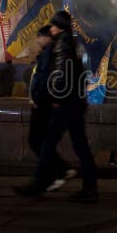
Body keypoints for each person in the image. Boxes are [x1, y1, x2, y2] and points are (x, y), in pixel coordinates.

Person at [14, 10, 97, 201]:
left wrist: (56, 96)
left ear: (58, 27)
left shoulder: (62, 44)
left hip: (65, 104)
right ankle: (90, 188)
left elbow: (61, 74)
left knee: (48, 143)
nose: (51, 28)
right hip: (76, 102)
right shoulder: (75, 44)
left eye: (53, 25)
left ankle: (39, 183)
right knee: (81, 147)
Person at [27, 25, 74, 192]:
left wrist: (42, 98)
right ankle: (58, 172)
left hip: (45, 104)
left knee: (37, 141)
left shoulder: (51, 53)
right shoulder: (49, 53)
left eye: (40, 36)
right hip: (44, 103)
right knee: (41, 141)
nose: (38, 39)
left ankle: (58, 172)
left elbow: (46, 77)